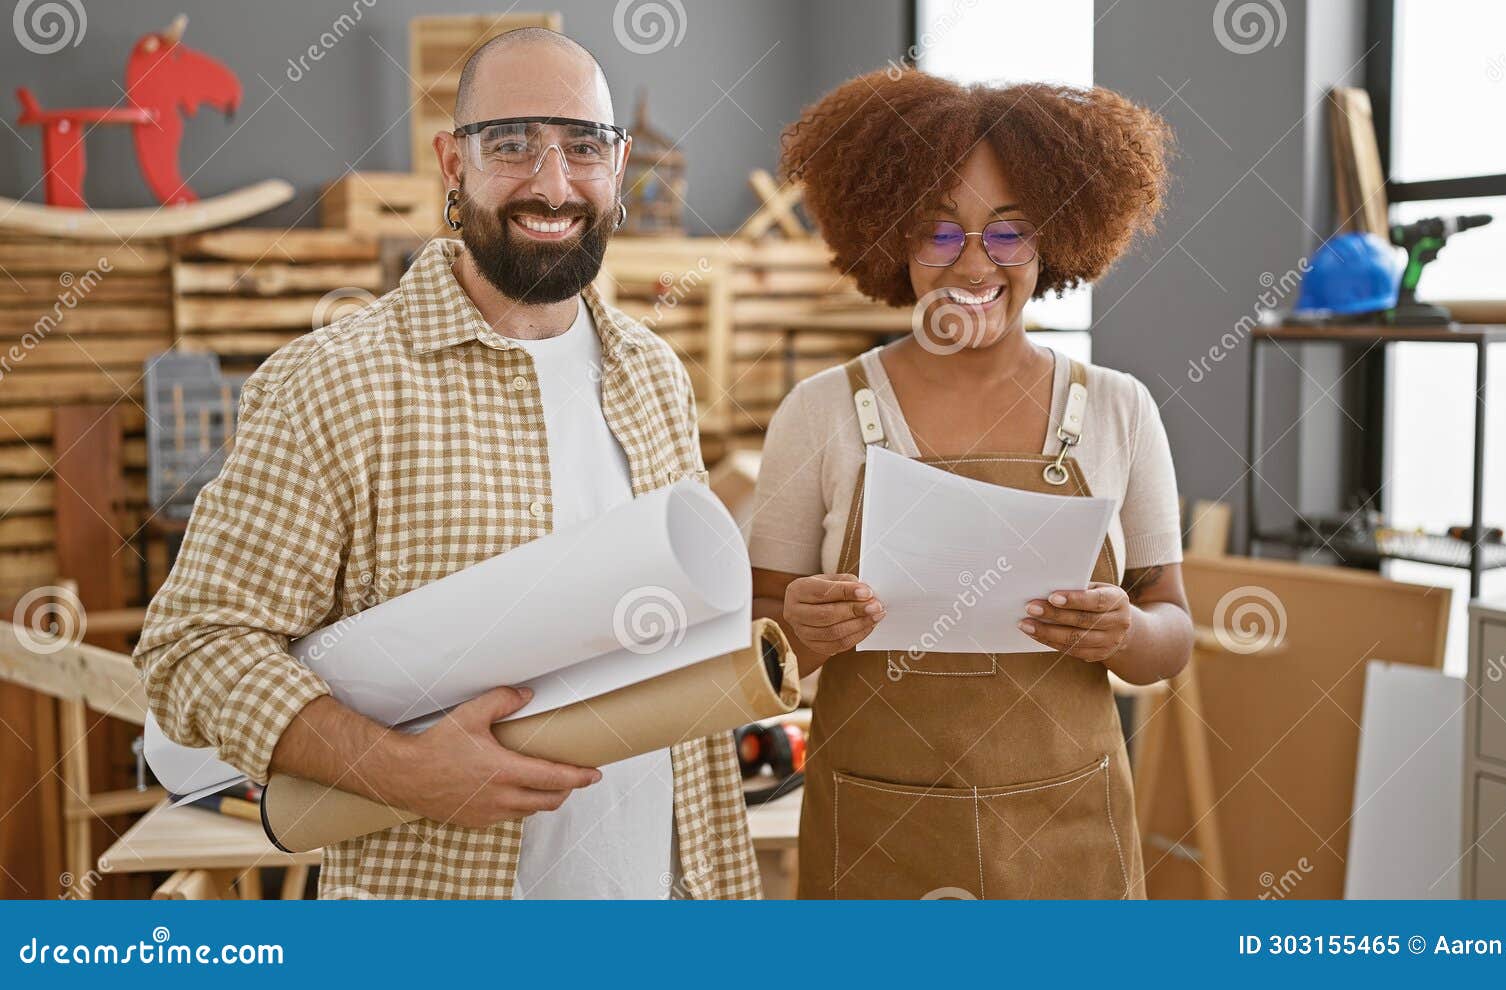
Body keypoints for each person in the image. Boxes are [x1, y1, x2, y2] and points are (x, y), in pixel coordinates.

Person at [134, 28, 761, 900]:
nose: (553, 183)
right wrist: (403, 772)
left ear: (618, 167)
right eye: (511, 143)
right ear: (451, 163)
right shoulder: (336, 383)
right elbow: (193, 649)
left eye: (583, 147)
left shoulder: (654, 376)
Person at [748, 70, 1193, 899]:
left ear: (1058, 238)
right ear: (889, 239)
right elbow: (758, 643)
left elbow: (1173, 635)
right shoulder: (818, 415)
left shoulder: (1119, 411)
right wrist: (803, 630)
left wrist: (1127, 630)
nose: (976, 264)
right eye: (939, 233)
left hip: (1068, 832)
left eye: (1010, 233)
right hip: (878, 836)